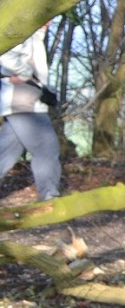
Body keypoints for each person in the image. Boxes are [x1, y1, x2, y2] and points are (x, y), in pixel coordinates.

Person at [0, 21, 61, 201]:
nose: (50, 22)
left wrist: (48, 90)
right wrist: (25, 73)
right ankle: (50, 199)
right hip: (23, 102)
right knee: (47, 148)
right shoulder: (23, 33)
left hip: (23, 101)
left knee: (5, 153)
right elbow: (5, 55)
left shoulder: (34, 36)